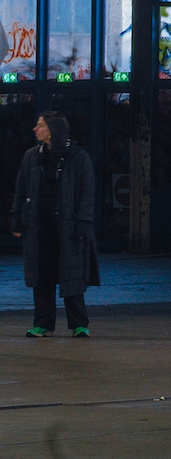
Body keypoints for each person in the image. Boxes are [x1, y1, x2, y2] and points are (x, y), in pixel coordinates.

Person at [12, 110, 99, 338]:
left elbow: (88, 192)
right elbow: (21, 189)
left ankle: (79, 323)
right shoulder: (31, 156)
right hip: (39, 227)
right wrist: (17, 219)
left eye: (40, 125)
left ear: (52, 130)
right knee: (42, 276)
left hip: (68, 227)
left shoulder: (77, 156)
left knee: (72, 276)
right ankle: (43, 323)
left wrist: (83, 222)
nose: (35, 129)